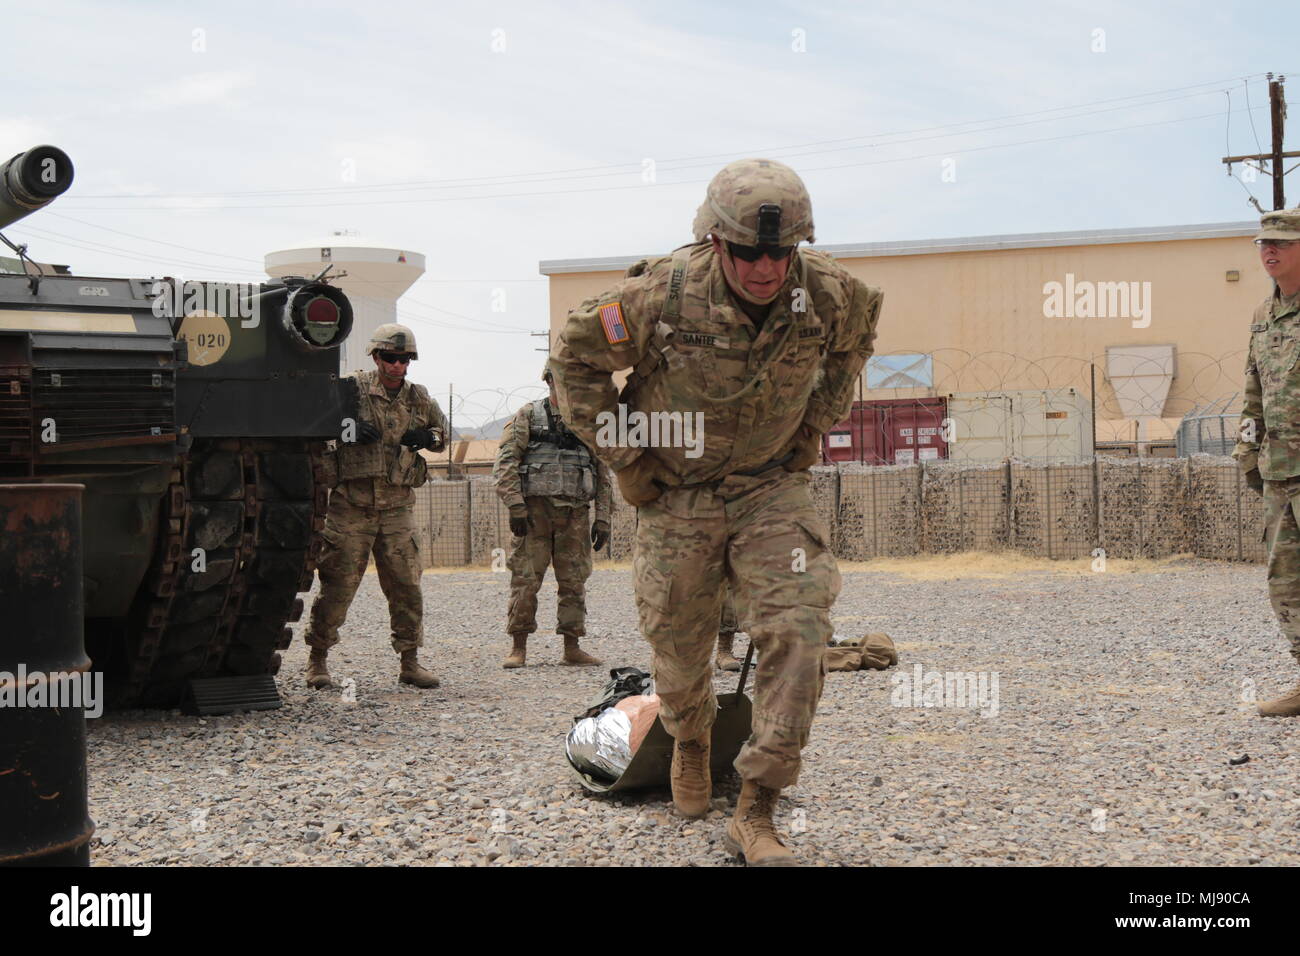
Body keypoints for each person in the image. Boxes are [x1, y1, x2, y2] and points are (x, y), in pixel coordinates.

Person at [551, 158, 882, 865]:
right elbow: (572, 359)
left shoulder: (831, 295)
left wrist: (811, 432)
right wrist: (627, 459)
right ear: (714, 242)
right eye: (748, 251)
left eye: (780, 251)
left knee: (799, 624)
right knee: (677, 645)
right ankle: (691, 737)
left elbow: (854, 351)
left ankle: (758, 806)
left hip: (768, 487)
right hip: (678, 493)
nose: (765, 267)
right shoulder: (661, 294)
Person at [304, 323, 447, 690]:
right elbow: (315, 425)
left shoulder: (419, 397)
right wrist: (346, 428)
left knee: (406, 587)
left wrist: (427, 437)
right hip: (350, 506)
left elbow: (443, 434)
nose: (397, 365)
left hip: (397, 506)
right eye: (390, 358)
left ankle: (410, 661)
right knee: (338, 585)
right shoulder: (350, 390)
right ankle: (317, 659)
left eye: (404, 359)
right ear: (375, 356)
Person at [493, 363, 612, 668]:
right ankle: (518, 647)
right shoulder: (528, 416)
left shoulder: (589, 422)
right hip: (535, 514)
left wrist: (603, 518)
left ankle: (572, 647)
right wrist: (516, 505)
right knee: (525, 579)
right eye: (560, 379)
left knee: (574, 581)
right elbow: (506, 461)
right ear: (547, 380)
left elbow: (602, 471)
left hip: (574, 515)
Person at [1235, 208, 1300, 717]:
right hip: (1279, 470)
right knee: (1286, 583)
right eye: (1263, 243)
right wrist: (1246, 449)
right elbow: (1252, 389)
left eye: (1281, 242)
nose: (1269, 251)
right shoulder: (1263, 315)